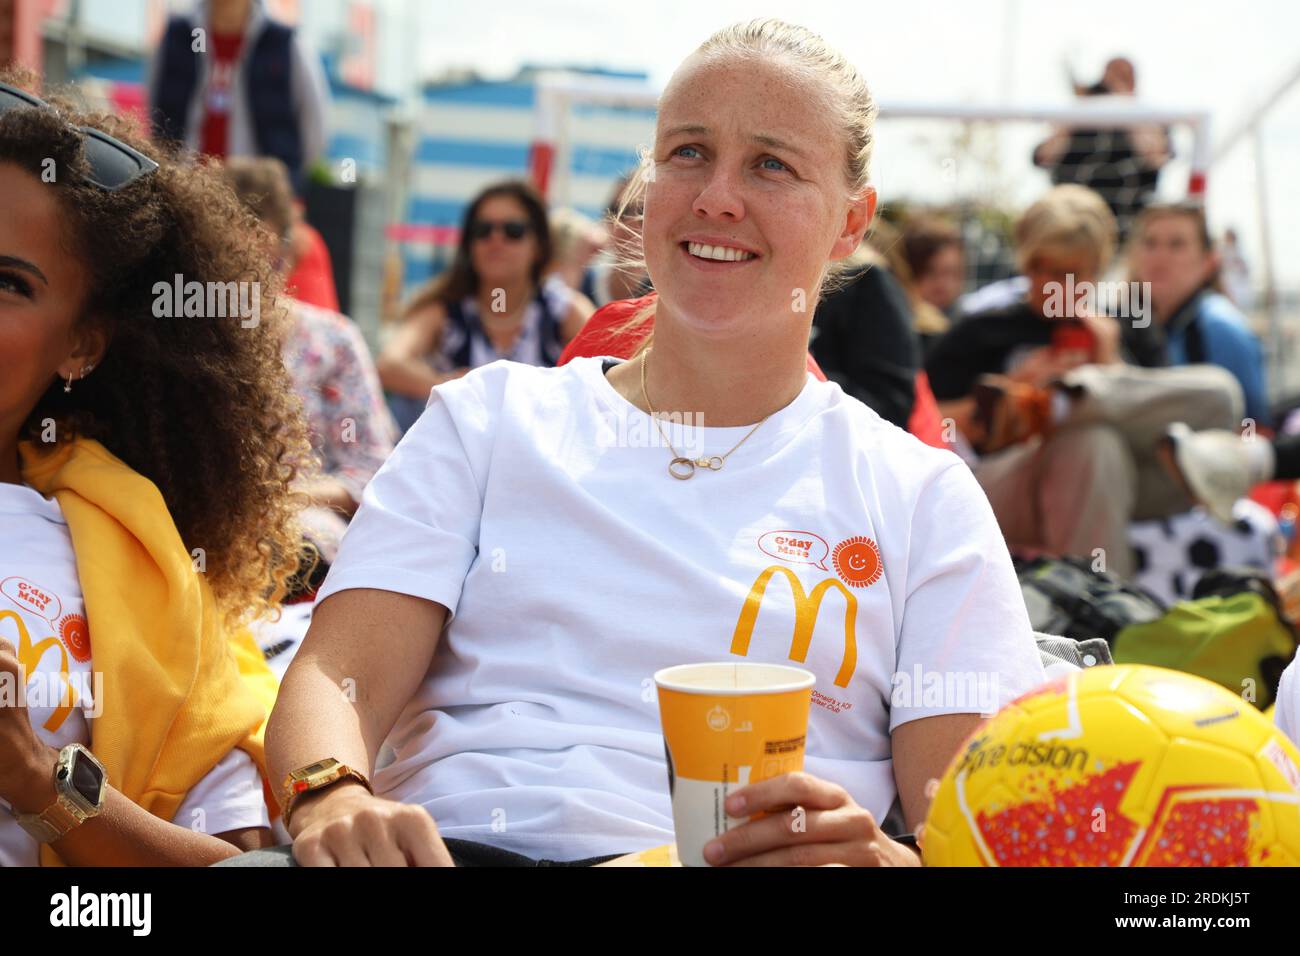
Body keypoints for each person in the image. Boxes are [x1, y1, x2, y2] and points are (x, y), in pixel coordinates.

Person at [241, 18, 1045, 869]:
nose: (717, 197)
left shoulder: (921, 498)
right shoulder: (488, 421)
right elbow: (335, 675)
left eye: (771, 164)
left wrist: (887, 861)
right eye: (689, 152)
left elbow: (970, 836)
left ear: (852, 223)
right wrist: (330, 797)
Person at [0, 74, 311, 864]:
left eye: (7, 284)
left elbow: (240, 862)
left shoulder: (142, 557)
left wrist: (36, 779)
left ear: (81, 345)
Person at [925, 184, 1243, 578]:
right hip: (1003, 488)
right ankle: (1105, 614)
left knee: (1220, 394)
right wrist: (1013, 389)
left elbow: (1181, 426)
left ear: (1096, 270)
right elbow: (917, 422)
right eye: (1044, 270)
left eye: (1071, 273)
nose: (1055, 285)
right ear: (1027, 265)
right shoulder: (984, 329)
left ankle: (1076, 398)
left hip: (1133, 483)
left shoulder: (1127, 326)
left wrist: (1110, 364)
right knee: (1092, 443)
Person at [219, 156, 397, 570]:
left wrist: (286, 496)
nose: (251, 283)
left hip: (304, 547)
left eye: (266, 264)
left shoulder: (334, 340)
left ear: (288, 255)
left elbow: (373, 469)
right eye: (228, 266)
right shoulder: (178, 339)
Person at [377, 180, 595, 433]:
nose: (496, 240)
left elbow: (609, 375)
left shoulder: (564, 310)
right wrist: (452, 387)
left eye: (513, 230)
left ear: (538, 246)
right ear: (470, 245)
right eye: (483, 230)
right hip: (458, 457)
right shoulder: (446, 310)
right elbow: (389, 364)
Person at [146, 0, 330, 183]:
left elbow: (314, 129)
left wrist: (283, 181)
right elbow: (155, 114)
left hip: (257, 197)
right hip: (185, 190)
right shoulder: (179, 36)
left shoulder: (284, 44)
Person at [1124, 202, 1269, 427]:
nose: (1160, 256)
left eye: (1176, 245)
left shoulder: (1221, 327)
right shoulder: (1122, 322)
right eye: (1150, 243)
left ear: (1209, 262)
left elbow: (1253, 428)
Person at [1032, 57, 1170, 240]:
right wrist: (1081, 108)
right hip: (1073, 231)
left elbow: (1156, 156)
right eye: (1110, 76)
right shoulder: (1077, 117)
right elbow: (1044, 156)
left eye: (1123, 76)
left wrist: (1123, 104)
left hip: (1128, 230)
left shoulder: (1149, 119)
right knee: (1069, 270)